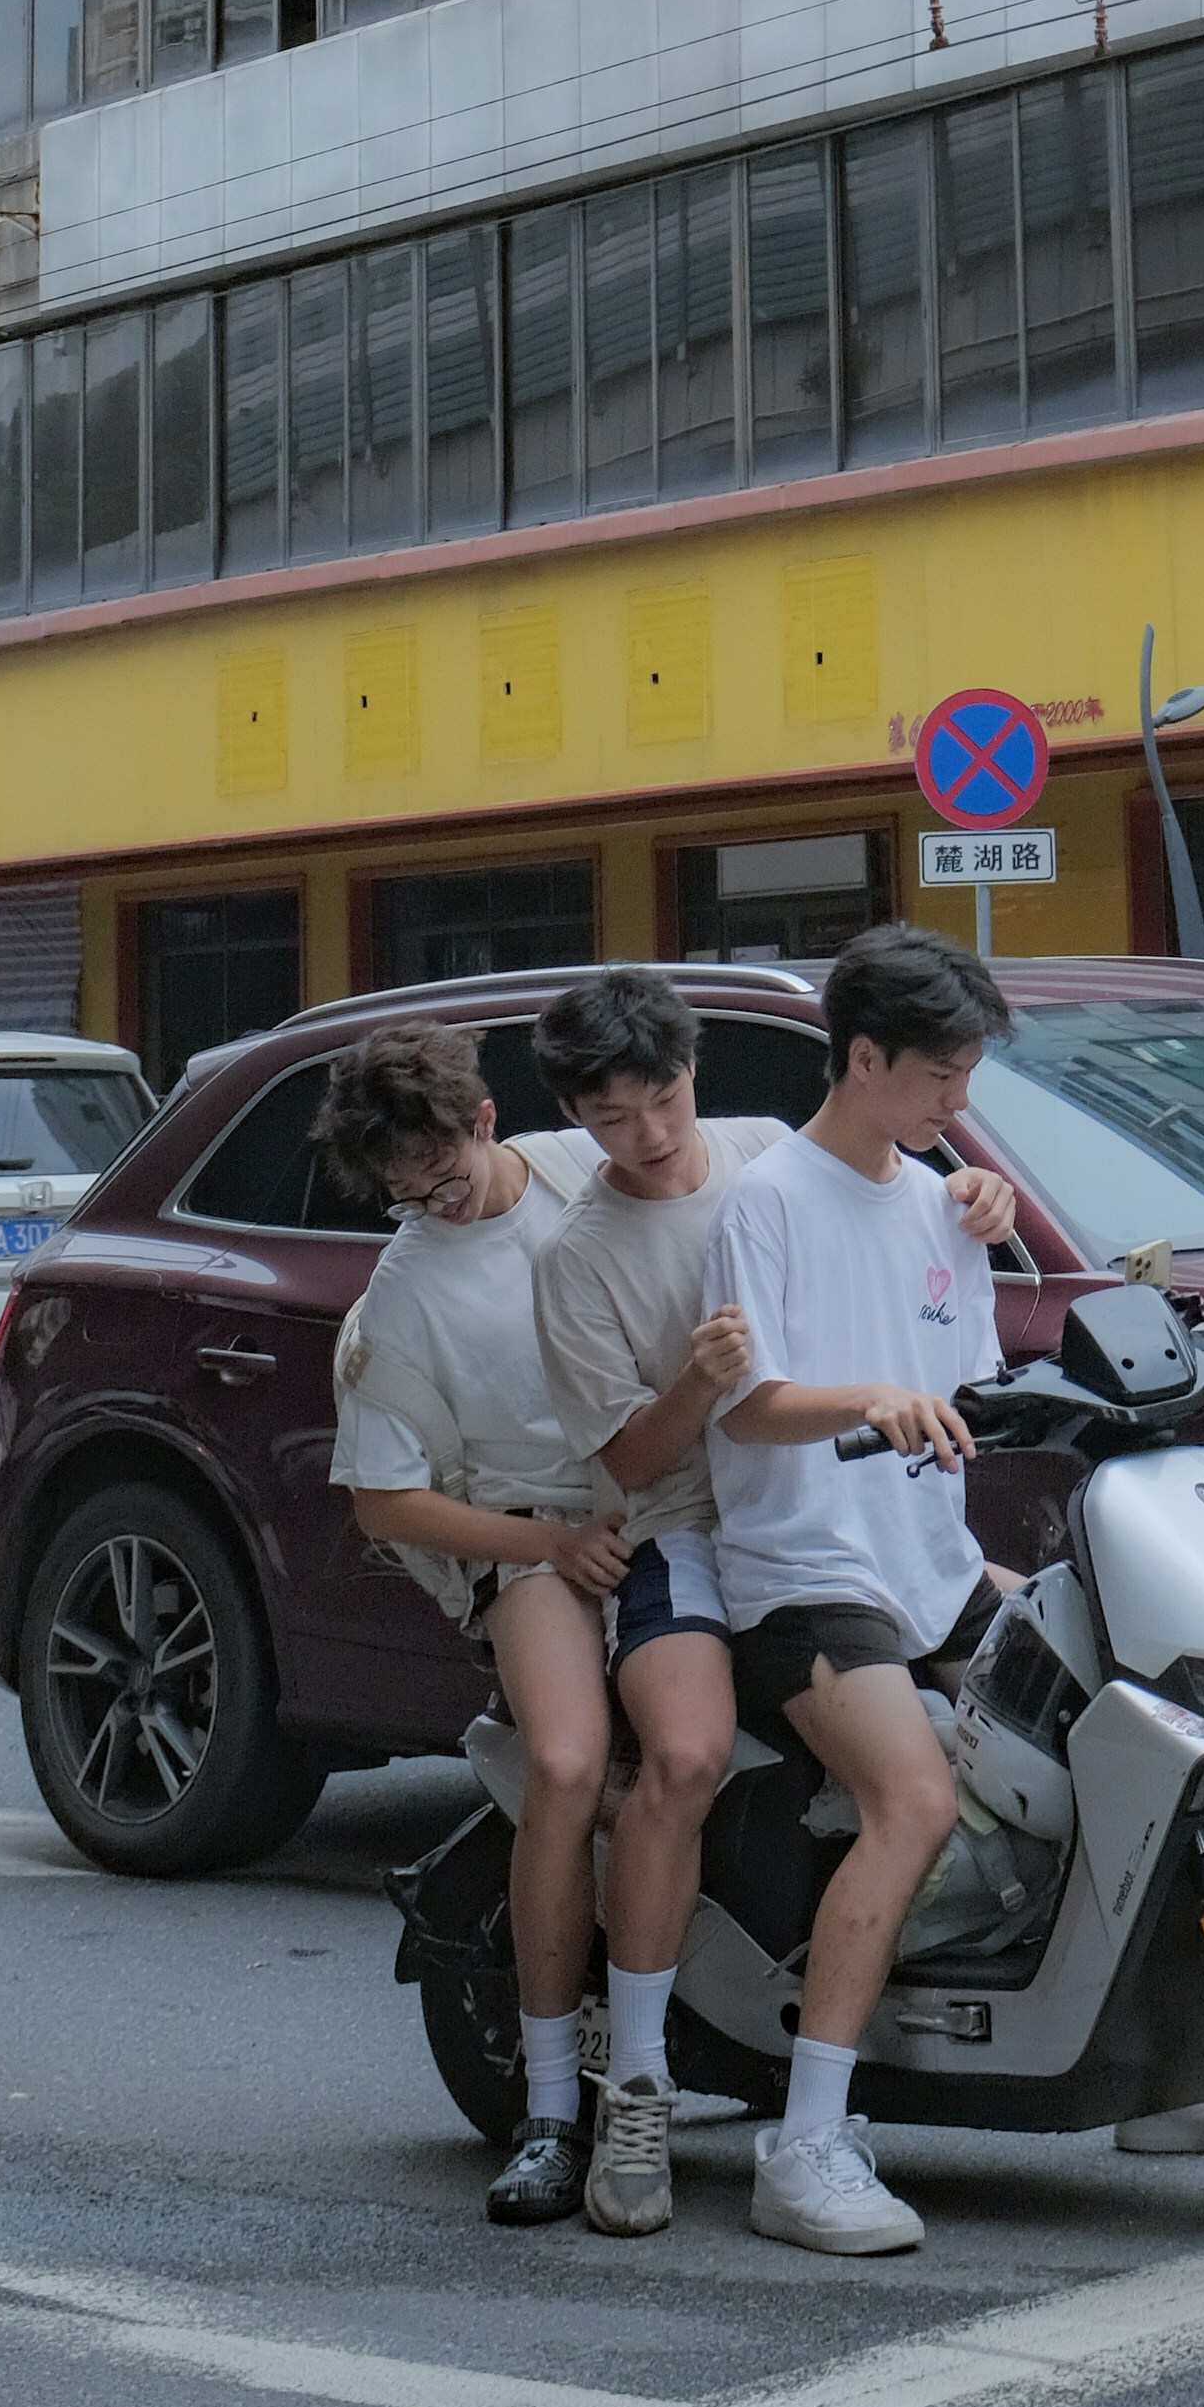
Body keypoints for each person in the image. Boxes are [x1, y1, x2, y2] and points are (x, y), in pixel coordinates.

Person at [706, 925, 1039, 2258]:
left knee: (1124, 1689)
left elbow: (963, 1380)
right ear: (862, 1055)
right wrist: (872, 1397)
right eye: (941, 1076)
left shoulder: (942, 1196)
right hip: (803, 1572)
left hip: (930, 1564)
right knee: (915, 1796)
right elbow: (753, 1402)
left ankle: (1169, 2055)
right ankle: (805, 2142)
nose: (959, 1102)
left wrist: (990, 1239)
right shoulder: (767, 1199)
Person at [321, 1022, 620, 2230]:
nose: (430, 1211)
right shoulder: (399, 1302)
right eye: (402, 1198)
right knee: (565, 1761)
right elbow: (384, 1499)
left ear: (487, 1120)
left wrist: (960, 1191)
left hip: (668, 1499)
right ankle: (553, 2107)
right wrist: (547, 1549)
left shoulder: (588, 1172)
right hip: (531, 1536)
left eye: (441, 1182)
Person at [524, 965, 783, 2239]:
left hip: (825, 1515)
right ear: (578, 1116)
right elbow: (628, 1465)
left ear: (696, 1072)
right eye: (614, 1117)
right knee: (683, 1755)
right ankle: (633, 2080)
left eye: (666, 1097)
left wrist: (968, 1194)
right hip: (685, 1534)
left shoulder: (769, 1153)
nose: (652, 1135)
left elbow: (897, 1227)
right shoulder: (577, 1261)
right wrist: (696, 1379)